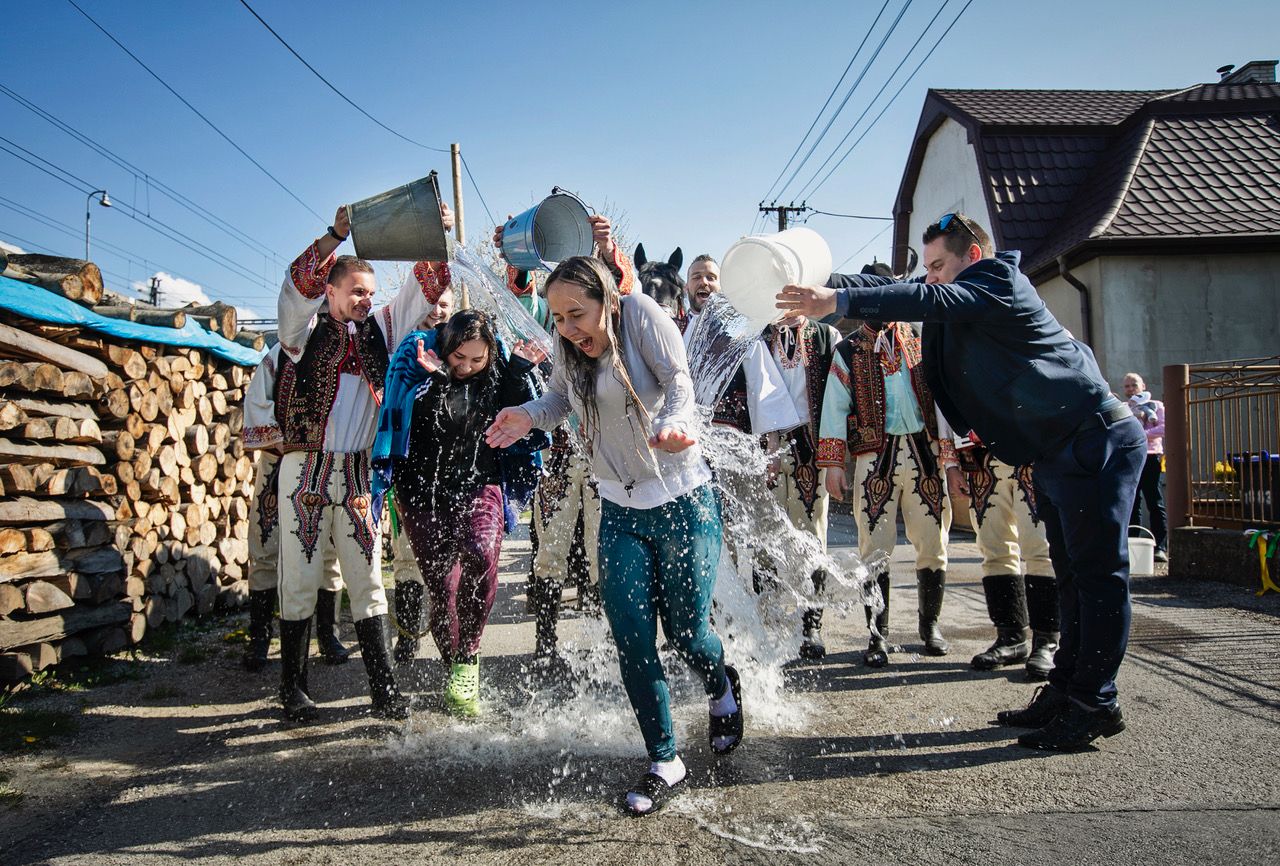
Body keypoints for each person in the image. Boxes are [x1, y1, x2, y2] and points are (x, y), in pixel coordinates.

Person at [778, 212, 1145, 752]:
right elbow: (894, 288)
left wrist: (839, 305)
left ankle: (1097, 702)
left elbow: (926, 301)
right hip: (1056, 450)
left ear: (973, 256)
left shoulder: (999, 280)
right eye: (925, 268)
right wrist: (830, 288)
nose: (928, 278)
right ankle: (1067, 689)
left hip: (1094, 441)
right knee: (1072, 578)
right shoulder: (953, 297)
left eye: (937, 265)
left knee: (1097, 580)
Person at [486, 256, 742, 817]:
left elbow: (679, 381)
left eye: (578, 313)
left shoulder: (642, 316)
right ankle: (664, 759)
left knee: (687, 634)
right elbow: (558, 400)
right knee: (631, 634)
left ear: (606, 298)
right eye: (558, 318)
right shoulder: (570, 349)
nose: (569, 328)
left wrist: (675, 424)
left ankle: (722, 682)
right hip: (620, 508)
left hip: (682, 501)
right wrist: (527, 415)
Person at [273, 202, 453, 722]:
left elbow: (425, 284)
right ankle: (292, 688)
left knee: (369, 577)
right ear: (330, 291)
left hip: (357, 471)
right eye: (356, 291)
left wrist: (433, 232)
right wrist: (335, 235)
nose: (364, 300)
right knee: (301, 577)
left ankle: (384, 690)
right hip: (303, 468)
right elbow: (294, 285)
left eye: (370, 293)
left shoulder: (383, 329)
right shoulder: (299, 332)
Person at [373, 309, 545, 716]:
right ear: (446, 348)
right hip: (421, 493)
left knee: (483, 553)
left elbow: (518, 412)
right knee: (443, 587)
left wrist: (518, 371)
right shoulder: (416, 366)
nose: (466, 367)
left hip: (480, 483)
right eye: (458, 358)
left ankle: (468, 656)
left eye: (476, 360)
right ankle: (457, 672)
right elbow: (411, 420)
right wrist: (437, 379)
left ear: (489, 354)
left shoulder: (501, 368)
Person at [817, 319, 954, 666]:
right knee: (874, 548)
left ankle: (930, 626)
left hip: (924, 450)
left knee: (934, 540)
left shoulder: (919, 338)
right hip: (874, 455)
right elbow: (834, 405)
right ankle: (877, 635)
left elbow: (941, 392)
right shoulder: (848, 349)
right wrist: (834, 463)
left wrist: (949, 453)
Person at [242, 344, 350, 671]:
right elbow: (258, 403)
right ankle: (259, 637)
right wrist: (288, 447)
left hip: (331, 464)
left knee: (329, 552)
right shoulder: (280, 355)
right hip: (280, 462)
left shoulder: (347, 350)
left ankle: (327, 634)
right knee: (265, 545)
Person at [944, 426, 1059, 680]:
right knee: (994, 549)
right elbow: (946, 412)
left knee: (1040, 548)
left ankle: (1047, 641)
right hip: (980, 459)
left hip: (1032, 454)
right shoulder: (958, 382)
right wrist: (951, 464)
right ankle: (1011, 638)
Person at [760, 310, 841, 658]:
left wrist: (835, 453)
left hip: (812, 444)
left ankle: (812, 625)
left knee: (811, 539)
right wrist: (769, 448)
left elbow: (839, 397)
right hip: (768, 446)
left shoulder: (828, 337)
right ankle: (767, 621)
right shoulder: (761, 340)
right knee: (765, 537)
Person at [387, 291, 454, 667]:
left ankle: (451, 639)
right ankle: (409, 636)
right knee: (407, 554)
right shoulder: (402, 349)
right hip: (412, 468)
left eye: (445, 303)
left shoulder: (461, 347)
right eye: (433, 301)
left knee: (451, 560)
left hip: (452, 471)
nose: (438, 309)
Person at [1123, 373, 1167, 562]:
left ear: (1143, 385)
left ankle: (1161, 547)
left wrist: (1139, 433)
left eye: (1134, 385)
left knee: (1154, 500)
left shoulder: (1156, 405)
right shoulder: (1125, 408)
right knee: (1132, 502)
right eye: (1127, 386)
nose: (1131, 389)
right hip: (1129, 456)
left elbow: (1163, 429)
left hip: (1151, 456)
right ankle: (1133, 546)